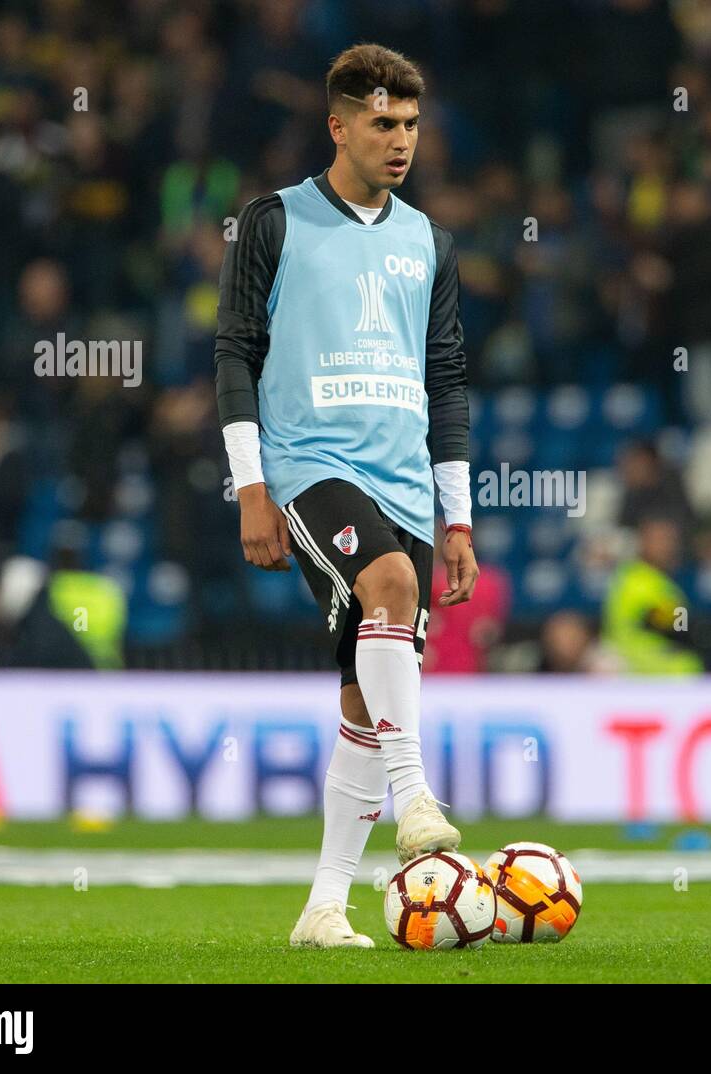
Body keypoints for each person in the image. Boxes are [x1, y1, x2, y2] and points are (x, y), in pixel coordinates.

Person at [213, 45, 478, 949]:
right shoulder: (274, 221)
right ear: (338, 125)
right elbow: (234, 350)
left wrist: (459, 516)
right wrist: (252, 487)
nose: (400, 140)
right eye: (381, 123)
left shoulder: (429, 242)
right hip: (309, 468)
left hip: (405, 479)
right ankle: (417, 799)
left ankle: (324, 906)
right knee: (394, 587)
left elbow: (446, 378)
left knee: (364, 697)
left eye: (410, 123)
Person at [602, 516, 703, 675]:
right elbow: (677, 624)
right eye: (659, 539)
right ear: (643, 542)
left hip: (664, 673)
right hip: (638, 673)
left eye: (670, 539)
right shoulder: (634, 578)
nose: (667, 546)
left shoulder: (663, 579)